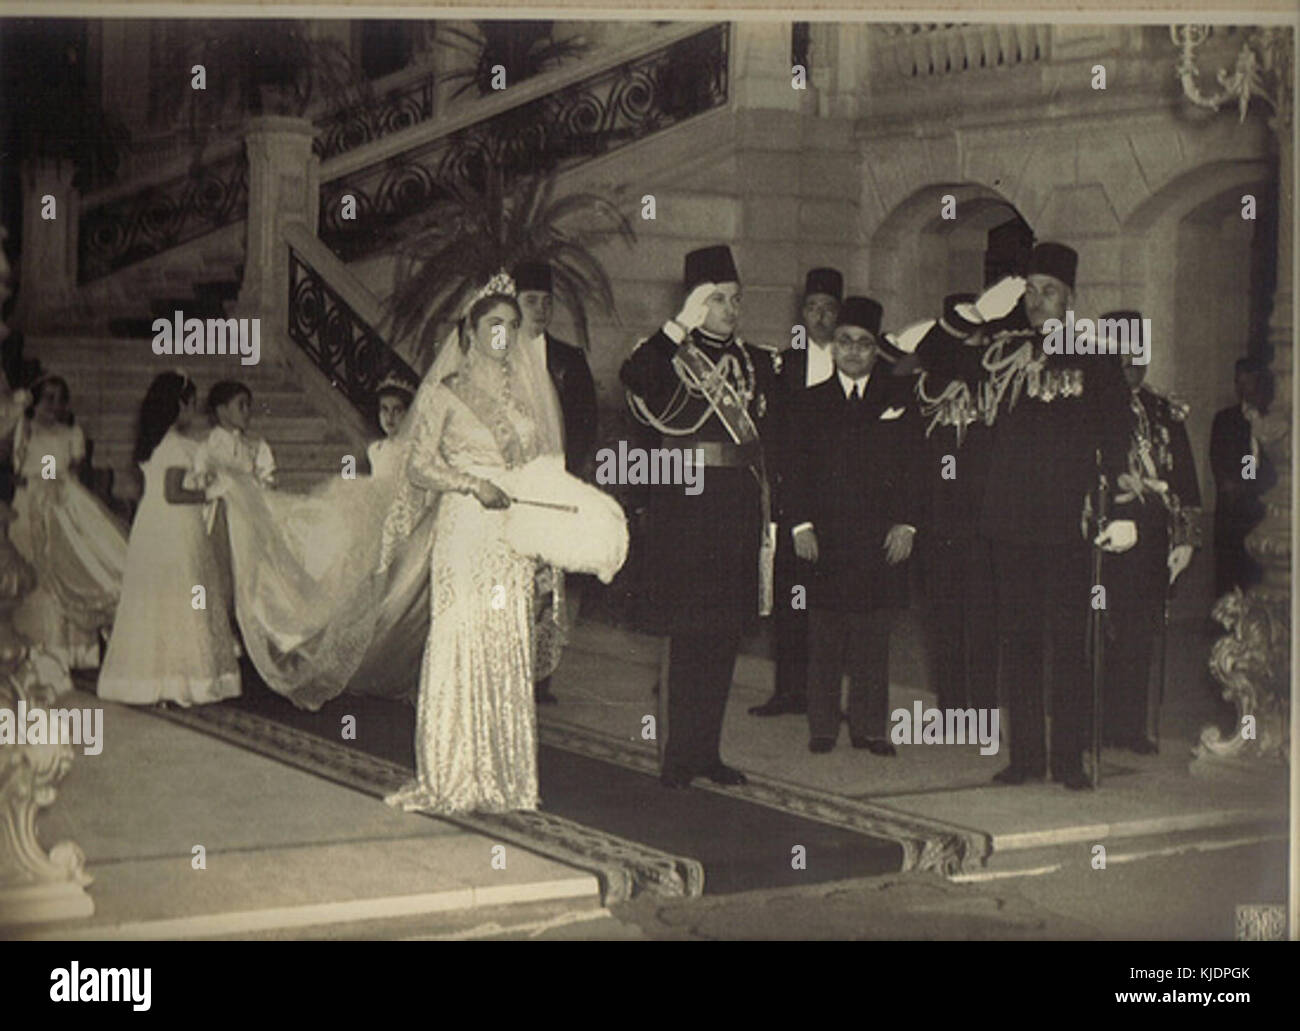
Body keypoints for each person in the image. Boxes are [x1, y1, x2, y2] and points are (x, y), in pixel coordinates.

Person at [915, 243, 1138, 790]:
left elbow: (1117, 434)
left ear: (1071, 298)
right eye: (1031, 290)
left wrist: (1122, 510)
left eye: (1049, 292)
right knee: (1018, 638)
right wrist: (978, 314)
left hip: (1068, 519)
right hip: (1008, 520)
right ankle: (1026, 758)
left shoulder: (1095, 355)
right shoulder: (997, 347)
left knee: (1068, 640)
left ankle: (1068, 759)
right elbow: (935, 357)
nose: (1038, 301)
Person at [384, 285, 560, 814]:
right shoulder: (446, 393)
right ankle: (453, 772)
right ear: (471, 333)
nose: (504, 334)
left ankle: (505, 778)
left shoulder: (527, 399)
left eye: (512, 323)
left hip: (510, 531)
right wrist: (469, 483)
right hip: (465, 526)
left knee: (505, 640)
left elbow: (538, 466)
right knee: (461, 633)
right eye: (494, 325)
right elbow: (418, 465)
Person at [621, 244, 780, 790]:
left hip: (736, 507)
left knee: (723, 634)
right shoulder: (664, 357)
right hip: (686, 511)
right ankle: (676, 756)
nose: (731, 309)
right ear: (694, 305)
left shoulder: (758, 361)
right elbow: (635, 378)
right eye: (717, 300)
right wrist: (677, 328)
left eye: (735, 299)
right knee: (686, 637)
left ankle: (707, 752)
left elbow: (771, 437)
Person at [784, 296, 920, 754]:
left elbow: (913, 467)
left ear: (876, 349)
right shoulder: (808, 401)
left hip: (880, 537)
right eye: (845, 342)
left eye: (864, 344)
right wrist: (800, 526)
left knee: (872, 636)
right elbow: (793, 468)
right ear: (833, 346)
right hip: (825, 536)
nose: (854, 352)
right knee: (824, 633)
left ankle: (870, 728)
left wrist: (907, 524)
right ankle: (822, 726)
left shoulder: (899, 398)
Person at [98, 372, 242, 706]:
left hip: (152, 527)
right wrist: (209, 493)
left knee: (157, 599)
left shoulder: (152, 442)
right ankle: (185, 679)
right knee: (186, 593)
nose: (192, 409)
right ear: (180, 405)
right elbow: (174, 493)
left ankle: (149, 679)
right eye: (190, 402)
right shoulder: (176, 446)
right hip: (176, 528)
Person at [1100, 322, 1201, 752]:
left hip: (1153, 540)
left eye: (1136, 354)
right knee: (1102, 629)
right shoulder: (1092, 406)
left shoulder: (1162, 410)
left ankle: (1132, 727)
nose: (1130, 365)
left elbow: (1186, 480)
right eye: (1121, 355)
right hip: (1105, 534)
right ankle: (1096, 724)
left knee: (1141, 632)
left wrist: (1186, 540)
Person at [751, 266, 843, 718]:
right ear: (802, 313)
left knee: (831, 603)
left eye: (828, 308)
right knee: (793, 598)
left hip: (841, 503)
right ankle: (788, 691)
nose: (819, 316)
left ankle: (827, 697)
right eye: (812, 307)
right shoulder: (784, 366)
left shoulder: (854, 362)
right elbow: (774, 432)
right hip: (794, 498)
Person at [513, 260, 599, 706]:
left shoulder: (568, 359)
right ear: (514, 303)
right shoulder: (498, 358)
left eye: (547, 302)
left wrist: (570, 481)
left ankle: (541, 676)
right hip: (509, 493)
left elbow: (587, 425)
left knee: (548, 585)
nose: (541, 310)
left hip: (554, 488)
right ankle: (506, 670)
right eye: (531, 301)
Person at [9, 375, 128, 670]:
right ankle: (37, 645)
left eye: (60, 399)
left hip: (62, 503)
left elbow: (66, 468)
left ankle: (72, 650)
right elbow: (17, 466)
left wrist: (55, 482)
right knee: (35, 568)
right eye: (47, 397)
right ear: (35, 400)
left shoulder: (71, 433)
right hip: (29, 503)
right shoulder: (23, 429)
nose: (53, 405)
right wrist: (40, 482)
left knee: (72, 566)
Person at [1209, 357, 1276, 597]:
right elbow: (1221, 465)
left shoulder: (1274, 420)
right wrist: (1239, 487)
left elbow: (1269, 466)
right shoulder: (1225, 421)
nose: (1241, 389)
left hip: (1263, 514)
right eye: (1238, 382)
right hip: (1233, 517)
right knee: (1230, 579)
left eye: (1247, 382)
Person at [368, 373, 415, 480]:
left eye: (397, 410)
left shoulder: (411, 450)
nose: (390, 416)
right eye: (385, 409)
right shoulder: (375, 450)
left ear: (408, 414)